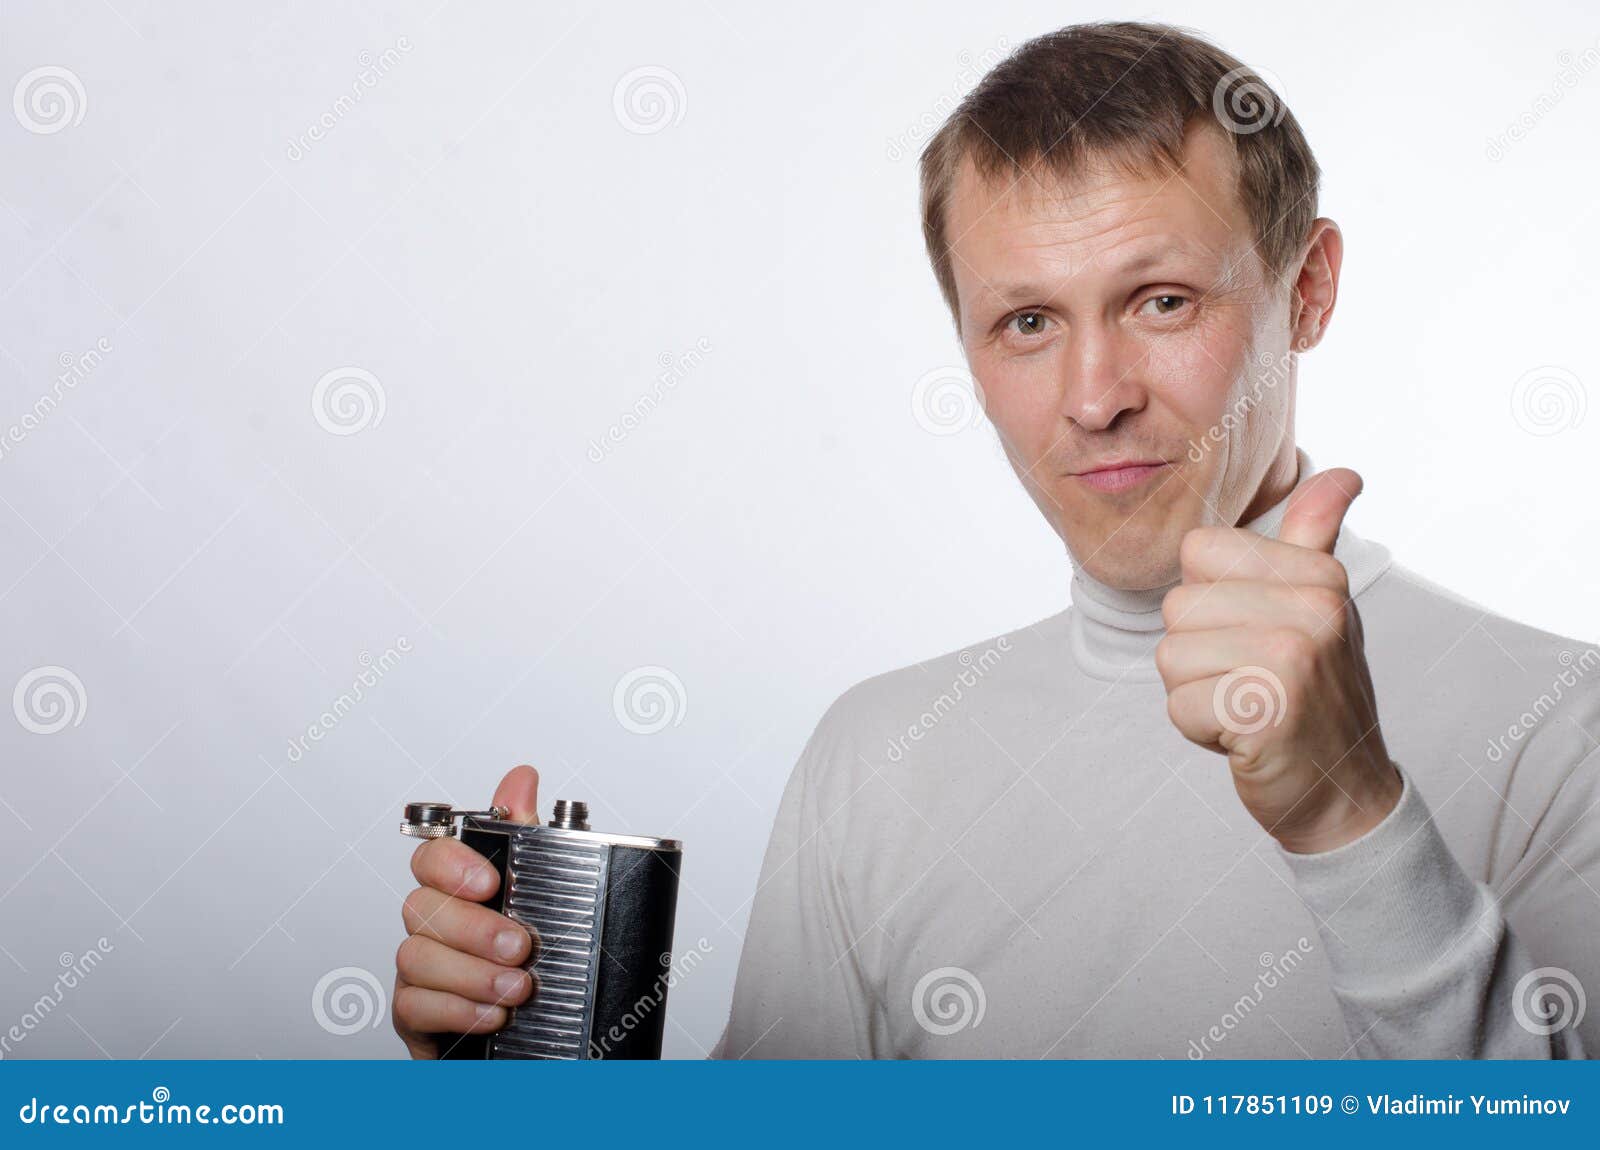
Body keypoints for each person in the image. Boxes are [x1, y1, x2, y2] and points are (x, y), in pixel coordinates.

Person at [392, 21, 1599, 1059]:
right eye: (1026, 320)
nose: (1092, 395)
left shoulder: (1561, 730)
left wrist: (1350, 820)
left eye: (1160, 300)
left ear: (1310, 287)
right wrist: (512, 1077)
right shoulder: (873, 757)